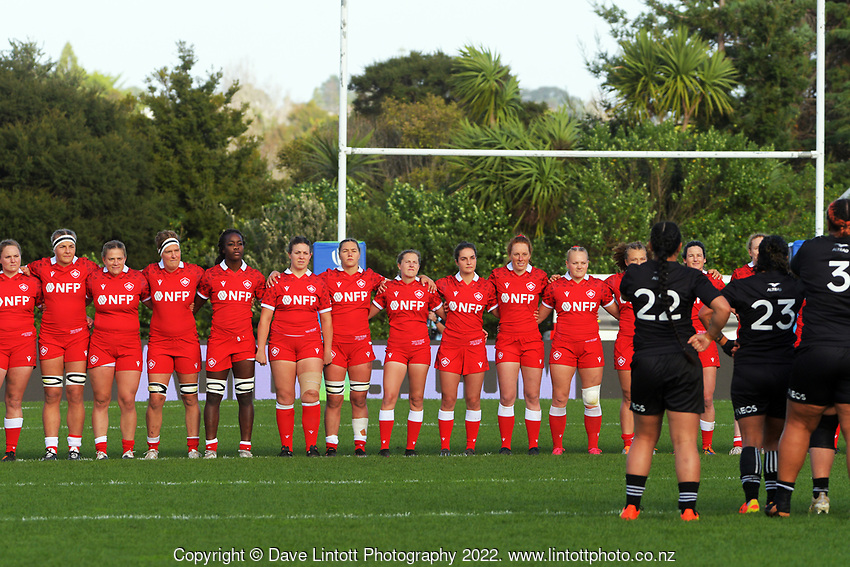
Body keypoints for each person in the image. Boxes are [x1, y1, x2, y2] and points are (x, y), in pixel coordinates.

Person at [619, 221, 730, 521]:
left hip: (646, 362)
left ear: (651, 247)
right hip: (682, 362)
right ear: (680, 248)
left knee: (643, 438)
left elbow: (628, 294)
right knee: (684, 441)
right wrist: (709, 336)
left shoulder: (634, 274)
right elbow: (722, 308)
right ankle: (688, 510)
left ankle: (631, 507)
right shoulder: (691, 275)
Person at [702, 235, 803, 513]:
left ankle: (751, 500)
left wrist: (724, 343)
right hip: (783, 366)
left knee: (750, 440)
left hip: (749, 367)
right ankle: (773, 499)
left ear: (759, 258)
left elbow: (704, 312)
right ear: (785, 257)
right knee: (773, 440)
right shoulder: (796, 285)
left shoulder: (743, 284)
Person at [770, 199, 850, 517]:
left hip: (815, 349)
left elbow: (798, 271)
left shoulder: (813, 249)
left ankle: (784, 503)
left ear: (828, 222)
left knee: (799, 424)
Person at [25, 229, 98, 460]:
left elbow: (106, 283)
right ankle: (51, 448)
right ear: (54, 248)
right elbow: (18, 273)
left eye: (71, 246)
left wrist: (88, 313)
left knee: (75, 393)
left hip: (77, 337)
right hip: (50, 338)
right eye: (62, 246)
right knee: (52, 394)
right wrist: (38, 303)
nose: (67, 251)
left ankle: (74, 448)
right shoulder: (41, 266)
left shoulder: (87, 266)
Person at [256, 236, 332, 457]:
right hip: (282, 344)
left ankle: (311, 446)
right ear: (289, 255)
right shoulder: (277, 282)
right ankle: (286, 447)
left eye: (305, 253)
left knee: (310, 394)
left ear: (310, 256)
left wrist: (327, 349)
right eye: (296, 252)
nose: (301, 256)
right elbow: (265, 319)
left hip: (310, 344)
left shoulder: (318, 283)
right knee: (285, 395)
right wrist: (261, 348)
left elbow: (326, 320)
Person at [538, 246, 619, 455]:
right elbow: (538, 316)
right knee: (559, 397)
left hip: (590, 346)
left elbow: (621, 313)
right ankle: (557, 446)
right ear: (567, 264)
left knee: (591, 398)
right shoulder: (555, 286)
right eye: (575, 263)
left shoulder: (598, 286)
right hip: (562, 347)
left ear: (588, 264)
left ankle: (593, 446)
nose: (579, 266)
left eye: (583, 262)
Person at [195, 229, 265, 459]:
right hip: (218, 343)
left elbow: (270, 306)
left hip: (245, 343)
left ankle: (245, 447)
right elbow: (192, 309)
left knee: (245, 396)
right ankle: (211, 449)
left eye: (240, 243)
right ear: (223, 248)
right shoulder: (210, 276)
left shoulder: (255, 276)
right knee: (213, 396)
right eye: (231, 244)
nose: (236, 247)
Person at [141, 231, 205, 459]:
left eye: (176, 250)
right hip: (159, 344)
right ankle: (152, 448)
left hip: (187, 343)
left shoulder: (194, 271)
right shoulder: (149, 272)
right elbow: (131, 285)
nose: (173, 255)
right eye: (168, 251)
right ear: (161, 254)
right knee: (156, 398)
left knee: (190, 397)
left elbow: (210, 288)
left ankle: (193, 449)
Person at [372, 250, 442, 456]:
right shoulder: (388, 287)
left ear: (419, 267)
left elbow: (448, 314)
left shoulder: (427, 288)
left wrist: (472, 327)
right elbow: (365, 313)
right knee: (389, 397)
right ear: (399, 266)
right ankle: (384, 447)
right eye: (407, 262)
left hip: (420, 349)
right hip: (396, 348)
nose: (411, 265)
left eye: (415, 262)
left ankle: (410, 448)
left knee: (417, 398)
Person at [86, 241, 150, 459]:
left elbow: (156, 303)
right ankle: (101, 451)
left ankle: (128, 450)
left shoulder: (138, 279)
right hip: (101, 345)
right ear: (103, 260)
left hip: (129, 346)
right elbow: (76, 302)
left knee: (127, 399)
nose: (115, 262)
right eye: (111, 258)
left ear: (125, 259)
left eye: (119, 258)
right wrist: (83, 317)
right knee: (101, 399)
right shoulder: (93, 278)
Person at [433, 242, 497, 456]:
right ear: (456, 261)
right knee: (448, 398)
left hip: (475, 347)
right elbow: (424, 295)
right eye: (464, 258)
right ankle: (444, 446)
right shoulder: (444, 284)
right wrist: (424, 278)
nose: (469, 262)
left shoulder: (487, 286)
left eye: (472, 258)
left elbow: (501, 312)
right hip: (450, 346)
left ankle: (470, 447)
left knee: (473, 399)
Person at [489, 235, 550, 455]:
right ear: (510, 255)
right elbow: (486, 299)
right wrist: (503, 316)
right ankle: (506, 445)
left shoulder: (541, 276)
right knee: (507, 396)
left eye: (524, 254)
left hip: (532, 341)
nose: (520, 258)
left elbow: (551, 298)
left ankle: (533, 445)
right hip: (507, 341)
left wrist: (539, 317)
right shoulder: (497, 275)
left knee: (532, 395)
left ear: (530, 255)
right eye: (516, 253)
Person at [0, 240, 42, 461]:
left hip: (23, 345)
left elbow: (52, 306)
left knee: (14, 399)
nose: (13, 260)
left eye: (16, 256)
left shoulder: (33, 283)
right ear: (0, 259)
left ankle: (10, 451)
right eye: (7, 257)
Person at [682, 241, 726, 454]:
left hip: (707, 340)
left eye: (699, 255)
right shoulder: (677, 280)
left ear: (705, 259)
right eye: (691, 255)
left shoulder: (715, 281)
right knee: (683, 397)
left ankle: (707, 446)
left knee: (707, 397)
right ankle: (683, 444)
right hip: (683, 341)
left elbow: (728, 307)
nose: (695, 259)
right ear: (684, 260)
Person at [605, 242, 647, 454]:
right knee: (629, 394)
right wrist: (560, 276)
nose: (638, 264)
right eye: (634, 260)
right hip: (626, 342)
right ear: (626, 262)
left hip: (650, 342)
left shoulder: (657, 280)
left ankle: (647, 442)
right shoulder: (614, 282)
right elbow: (590, 290)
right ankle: (629, 443)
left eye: (642, 260)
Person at [727, 232, 767, 454]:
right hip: (747, 339)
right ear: (749, 251)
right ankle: (738, 441)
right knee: (743, 388)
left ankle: (763, 441)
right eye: (756, 248)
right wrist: (741, 313)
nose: (760, 252)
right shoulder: (740, 274)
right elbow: (726, 301)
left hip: (771, 340)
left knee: (767, 390)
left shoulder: (776, 273)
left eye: (764, 247)